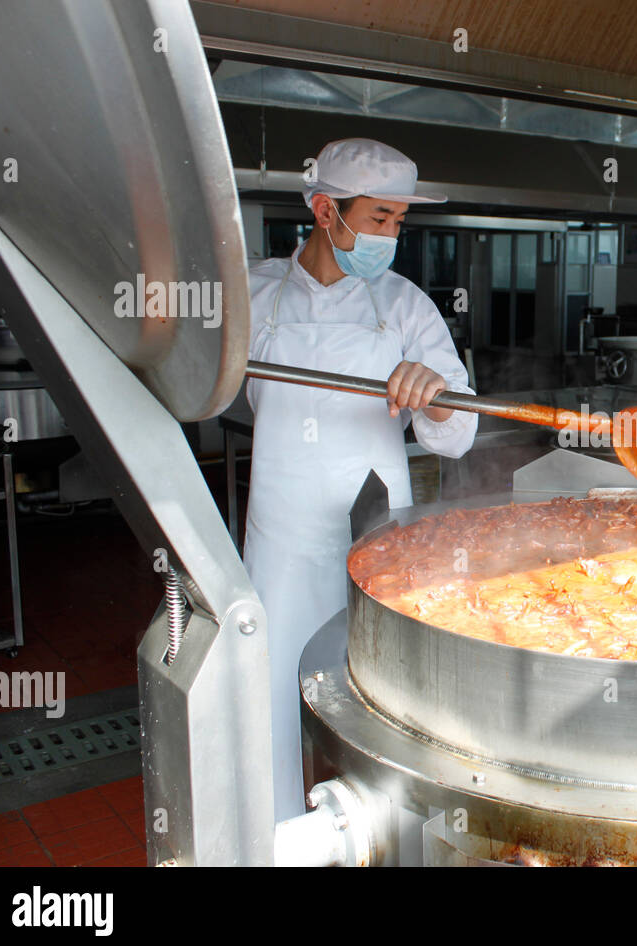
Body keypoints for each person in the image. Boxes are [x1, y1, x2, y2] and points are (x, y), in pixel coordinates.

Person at [243, 138, 478, 822]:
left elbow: (457, 430)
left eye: (399, 222)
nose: (391, 236)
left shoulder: (405, 306)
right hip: (281, 539)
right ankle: (283, 844)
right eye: (379, 218)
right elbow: (196, 386)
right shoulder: (254, 294)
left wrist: (433, 394)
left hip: (377, 537)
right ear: (325, 211)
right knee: (272, 701)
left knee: (387, 704)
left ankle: (385, 840)